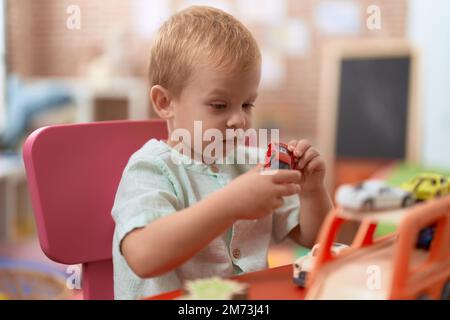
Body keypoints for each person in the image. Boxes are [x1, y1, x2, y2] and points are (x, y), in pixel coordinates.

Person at [111, 6, 333, 300]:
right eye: (219, 105)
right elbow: (143, 256)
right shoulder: (151, 169)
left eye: (247, 104)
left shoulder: (252, 164)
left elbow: (313, 238)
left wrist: (312, 192)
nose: (239, 120)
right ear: (165, 102)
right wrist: (230, 203)